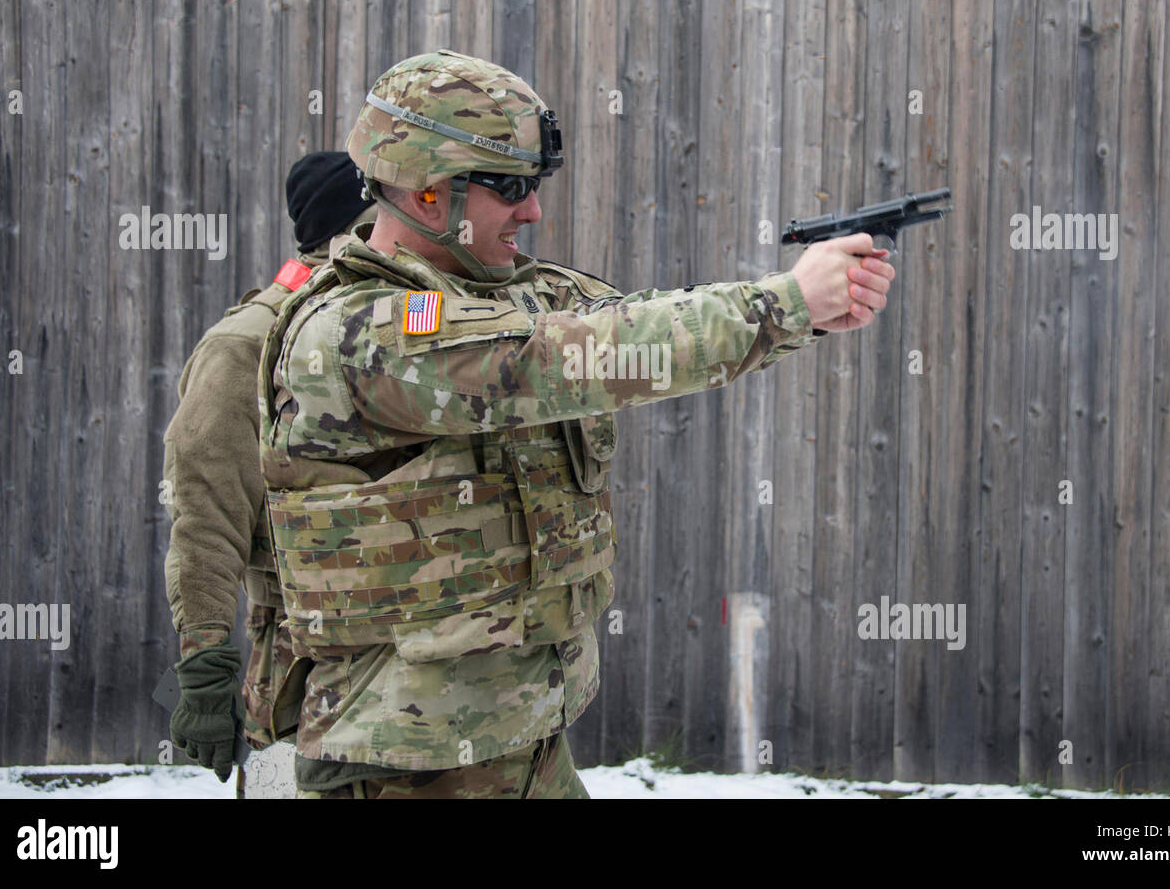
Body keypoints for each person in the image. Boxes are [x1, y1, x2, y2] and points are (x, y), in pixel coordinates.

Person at [258, 49, 896, 799]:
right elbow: (570, 359)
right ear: (429, 196)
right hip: (405, 764)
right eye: (510, 188)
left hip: (520, 743)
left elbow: (636, 322)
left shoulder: (497, 293)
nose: (532, 211)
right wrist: (784, 302)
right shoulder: (360, 330)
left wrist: (806, 316)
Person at [163, 152, 376, 793]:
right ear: (350, 233)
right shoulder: (249, 345)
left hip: (412, 679)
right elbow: (205, 515)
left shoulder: (396, 327)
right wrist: (204, 663)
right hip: (297, 681)